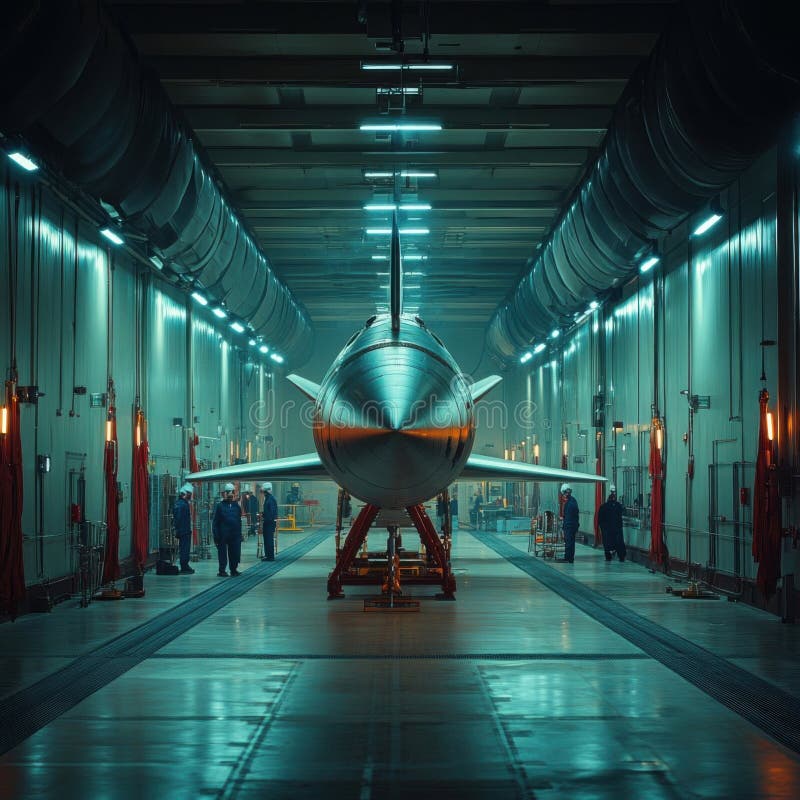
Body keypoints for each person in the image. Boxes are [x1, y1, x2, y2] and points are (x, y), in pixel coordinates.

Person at [212, 482, 242, 576]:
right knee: (222, 554)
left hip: (234, 535)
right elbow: (215, 522)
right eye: (228, 492)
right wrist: (216, 536)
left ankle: (233, 569)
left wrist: (239, 534)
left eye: (231, 492)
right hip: (223, 535)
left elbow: (239, 520)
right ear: (224, 493)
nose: (230, 494)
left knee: (235, 553)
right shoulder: (220, 506)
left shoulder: (236, 506)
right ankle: (222, 570)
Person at [597, 484, 627, 562]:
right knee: (619, 542)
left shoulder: (603, 507)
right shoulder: (618, 506)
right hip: (616, 528)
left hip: (608, 529)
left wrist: (602, 528)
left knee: (607, 543)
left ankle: (608, 556)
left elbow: (600, 519)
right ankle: (621, 556)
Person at [173, 483, 195, 574]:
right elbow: (178, 518)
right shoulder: (181, 504)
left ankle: (185, 565)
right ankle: (184, 566)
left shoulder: (182, 504)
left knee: (185, 549)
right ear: (184, 493)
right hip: (184, 530)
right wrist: (178, 529)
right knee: (184, 549)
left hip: (184, 529)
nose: (190, 496)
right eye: (189, 494)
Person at [559, 483, 579, 563]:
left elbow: (570, 515)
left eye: (564, 493)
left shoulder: (570, 503)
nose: (564, 495)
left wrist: (564, 520)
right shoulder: (573, 501)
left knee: (569, 542)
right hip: (572, 525)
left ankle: (568, 558)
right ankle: (569, 557)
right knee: (570, 542)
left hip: (569, 526)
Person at [261, 482, 279, 561]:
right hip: (268, 522)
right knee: (267, 539)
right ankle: (268, 555)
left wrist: (265, 516)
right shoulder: (269, 498)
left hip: (269, 523)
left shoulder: (270, 499)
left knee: (269, 539)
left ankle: (270, 556)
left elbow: (271, 512)